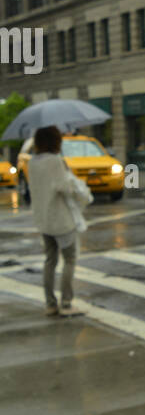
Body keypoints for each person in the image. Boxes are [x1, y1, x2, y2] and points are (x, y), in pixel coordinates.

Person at [28, 124, 92, 317]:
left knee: (50, 261)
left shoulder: (32, 162)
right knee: (70, 260)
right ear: (55, 141)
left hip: (43, 219)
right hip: (61, 220)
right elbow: (64, 188)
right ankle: (66, 303)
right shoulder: (56, 161)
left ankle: (50, 304)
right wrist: (70, 177)